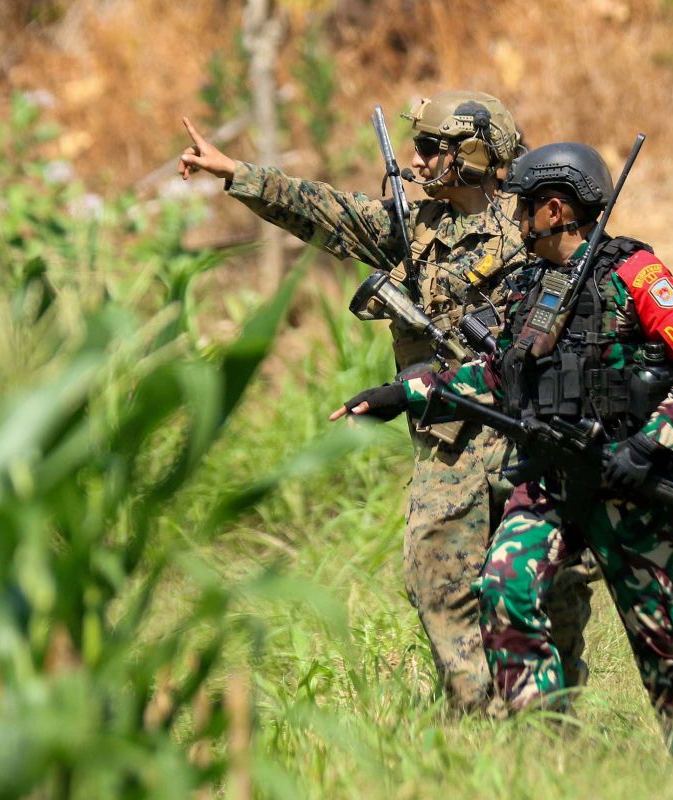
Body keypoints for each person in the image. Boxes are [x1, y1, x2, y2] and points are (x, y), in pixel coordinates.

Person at [177, 90, 591, 712]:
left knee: (551, 579)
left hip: (526, 422)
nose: (416, 160)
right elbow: (326, 211)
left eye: (431, 148)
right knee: (435, 574)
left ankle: (557, 705)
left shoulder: (530, 224)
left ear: (474, 155)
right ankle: (482, 710)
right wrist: (237, 173)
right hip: (451, 432)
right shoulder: (414, 225)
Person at [333, 142, 673, 749]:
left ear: (554, 209)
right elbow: (494, 376)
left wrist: (650, 446)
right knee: (506, 584)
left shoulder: (637, 273)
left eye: (524, 209)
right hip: (548, 479)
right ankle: (544, 751)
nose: (515, 220)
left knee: (666, 642)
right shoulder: (530, 287)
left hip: (627, 485)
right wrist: (401, 396)